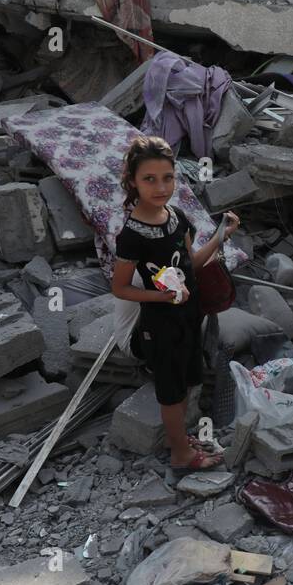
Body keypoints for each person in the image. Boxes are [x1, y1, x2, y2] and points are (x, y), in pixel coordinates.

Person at [111, 136, 239, 471]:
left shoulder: (176, 216)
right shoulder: (131, 235)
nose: (160, 187)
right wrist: (161, 297)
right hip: (159, 325)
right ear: (132, 181)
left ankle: (178, 437)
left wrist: (220, 235)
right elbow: (120, 288)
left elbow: (191, 264)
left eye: (167, 177)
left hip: (188, 315)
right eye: (149, 179)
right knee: (171, 391)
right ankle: (180, 454)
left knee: (186, 381)